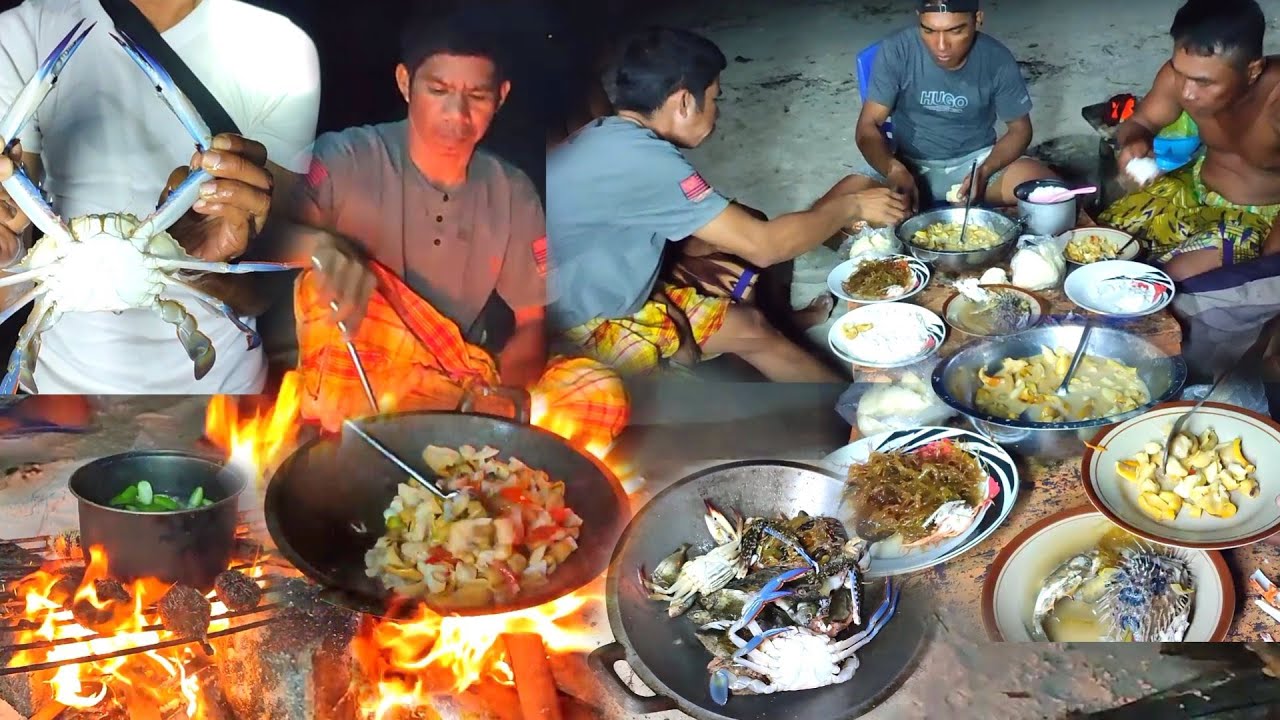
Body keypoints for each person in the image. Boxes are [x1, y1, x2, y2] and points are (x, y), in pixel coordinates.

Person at [285, 6, 629, 450]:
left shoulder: (512, 191)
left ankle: (461, 440)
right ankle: (420, 438)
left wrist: (505, 403)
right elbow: (262, 232)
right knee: (322, 284)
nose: (457, 115)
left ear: (501, 96)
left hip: (460, 388)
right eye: (439, 89)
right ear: (405, 82)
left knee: (598, 390)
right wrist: (318, 246)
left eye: (477, 96)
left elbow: (530, 323)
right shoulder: (345, 158)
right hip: (362, 379)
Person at [546, 27, 909, 383]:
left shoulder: (611, 134)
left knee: (751, 328)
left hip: (600, 288)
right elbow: (766, 247)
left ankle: (848, 413)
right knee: (679, 404)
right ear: (685, 101)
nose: (717, 111)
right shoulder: (643, 160)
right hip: (581, 323)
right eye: (715, 98)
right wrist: (852, 207)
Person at [0, 0, 319, 395]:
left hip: (221, 403)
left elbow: (260, 293)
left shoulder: (281, 50)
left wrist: (195, 261)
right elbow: (8, 274)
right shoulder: (22, 36)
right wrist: (4, 248)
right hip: (58, 402)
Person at [1099, 0, 1280, 282]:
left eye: (1203, 82)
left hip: (1259, 218)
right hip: (1192, 188)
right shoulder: (1182, 77)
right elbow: (1141, 122)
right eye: (1179, 73)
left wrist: (1270, 267)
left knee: (1168, 281)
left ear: (1253, 70)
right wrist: (1134, 142)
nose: (1187, 92)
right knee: (1102, 244)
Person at [855, 0, 1056, 210]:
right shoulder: (897, 50)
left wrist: (985, 170)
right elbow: (867, 125)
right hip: (907, 166)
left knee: (1054, 197)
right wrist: (893, 170)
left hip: (977, 165)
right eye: (929, 30)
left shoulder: (996, 59)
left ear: (977, 19)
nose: (941, 45)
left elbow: (1020, 129)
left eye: (955, 30)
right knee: (838, 213)